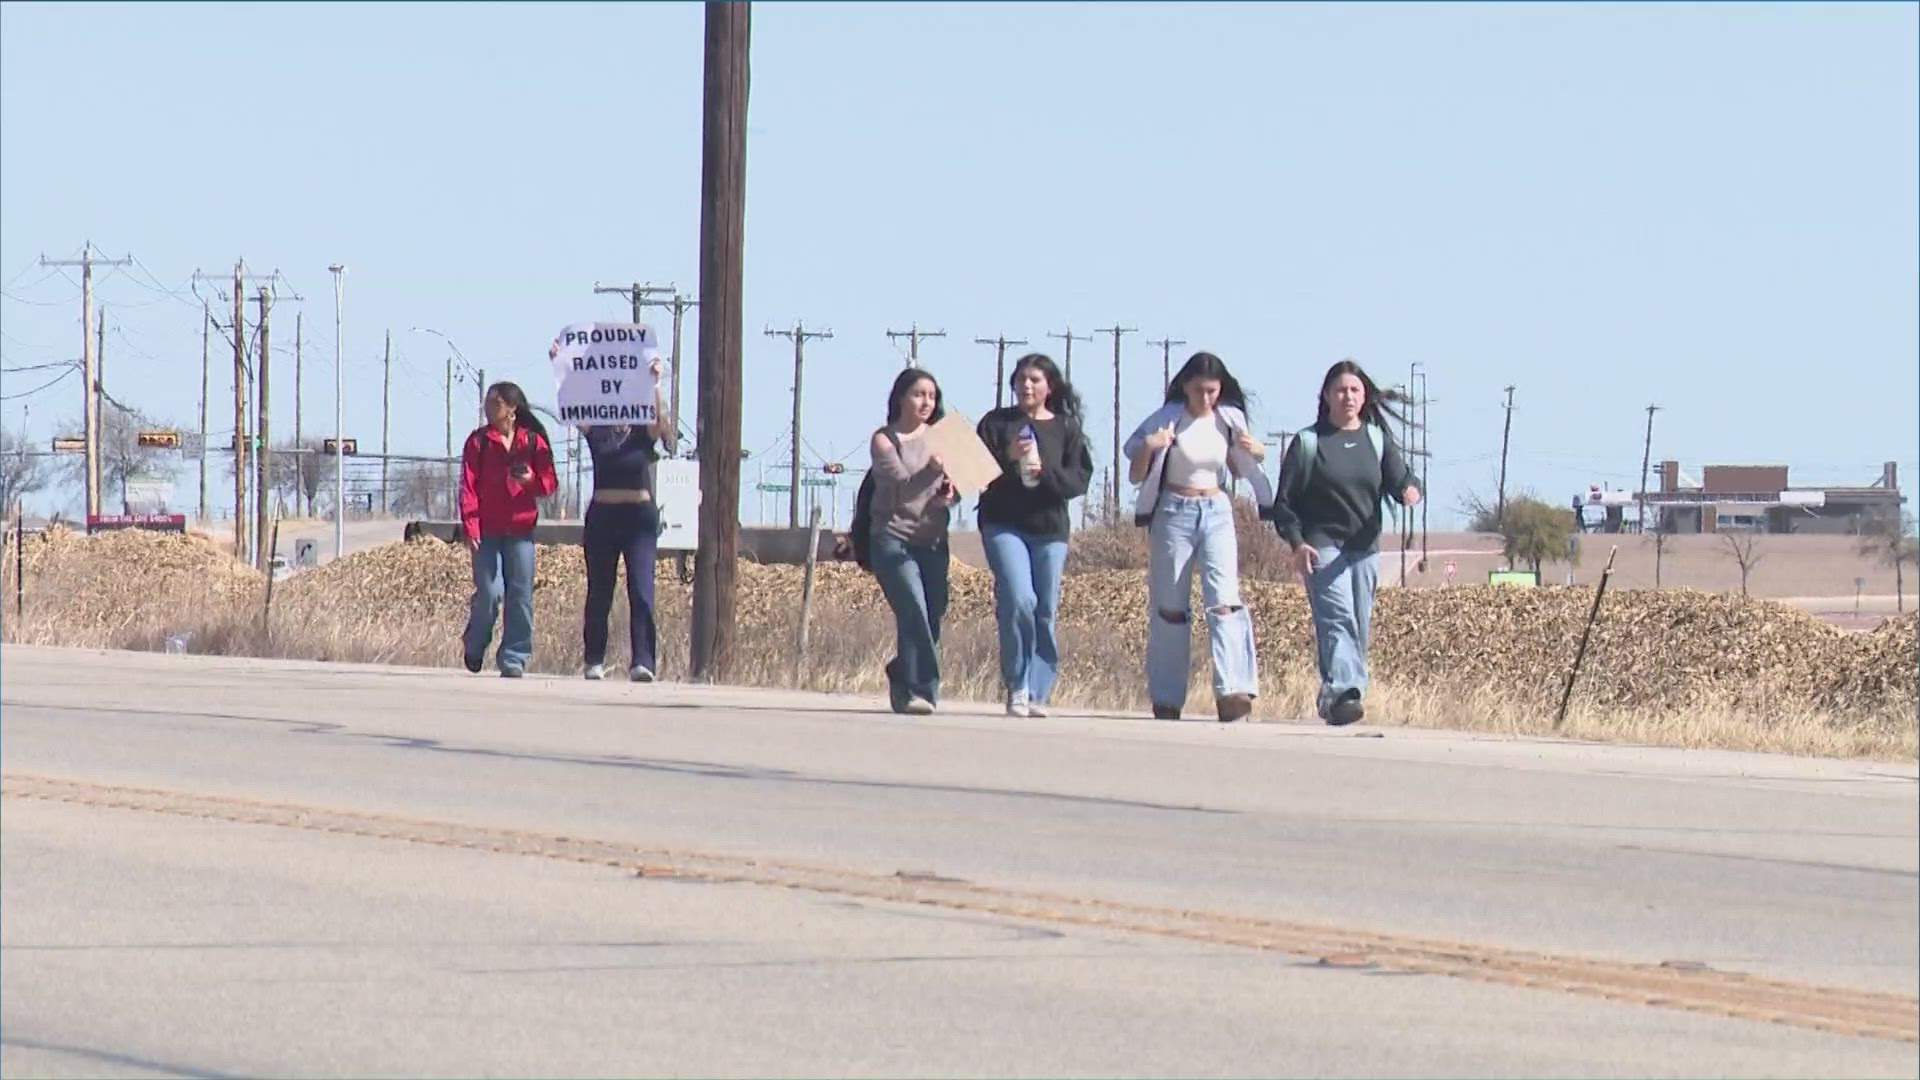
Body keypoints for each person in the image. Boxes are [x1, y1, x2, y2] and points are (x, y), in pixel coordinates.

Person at [1121, 351, 1272, 722]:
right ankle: (1168, 696)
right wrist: (1150, 446)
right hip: (1174, 512)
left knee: (1225, 601)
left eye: (1213, 390)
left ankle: (1233, 691)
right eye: (1200, 390)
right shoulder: (1167, 418)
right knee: (1171, 608)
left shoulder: (1228, 419)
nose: (1206, 398)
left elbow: (1239, 466)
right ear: (1185, 386)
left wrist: (1257, 452)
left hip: (1216, 510)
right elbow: (1136, 472)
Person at [1269, 359, 1421, 726]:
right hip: (1322, 544)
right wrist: (1297, 542)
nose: (1347, 396)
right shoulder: (1308, 443)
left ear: (1364, 394)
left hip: (1364, 547)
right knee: (1336, 620)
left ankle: (1334, 696)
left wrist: (1408, 490)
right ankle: (1344, 692)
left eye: (1354, 390)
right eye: (1340, 390)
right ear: (1326, 395)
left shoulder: (1375, 440)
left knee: (1358, 626)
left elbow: (1399, 478)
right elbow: (1284, 504)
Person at [975, 353, 1094, 717]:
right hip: (1003, 524)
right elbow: (977, 474)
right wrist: (1009, 458)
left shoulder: (1066, 428)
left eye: (1035, 380)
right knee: (1018, 599)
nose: (1027, 386)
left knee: (1044, 609)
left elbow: (1078, 480)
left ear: (1050, 387)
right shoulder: (996, 423)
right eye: (1022, 379)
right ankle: (1018, 685)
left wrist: (1046, 473)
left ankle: (1039, 689)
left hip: (1049, 530)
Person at [554, 338, 675, 682]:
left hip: (639, 517)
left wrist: (655, 382)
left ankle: (643, 661)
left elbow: (660, 422)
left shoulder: (643, 428)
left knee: (641, 590)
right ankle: (593, 659)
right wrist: (561, 363)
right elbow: (571, 405)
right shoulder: (598, 427)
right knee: (599, 591)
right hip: (602, 517)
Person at [868, 367, 958, 715]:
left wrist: (948, 495)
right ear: (902, 397)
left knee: (933, 612)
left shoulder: (942, 437)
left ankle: (902, 674)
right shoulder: (885, 440)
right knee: (914, 609)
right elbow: (904, 491)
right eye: (919, 394)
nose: (926, 401)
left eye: (932, 396)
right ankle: (923, 691)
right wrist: (933, 471)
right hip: (893, 538)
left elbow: (953, 487)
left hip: (933, 539)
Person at [459, 381, 558, 678]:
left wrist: (529, 480)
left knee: (520, 594)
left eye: (495, 404)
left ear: (512, 410)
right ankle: (475, 642)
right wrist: (470, 525)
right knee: (490, 592)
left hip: (520, 530)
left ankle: (514, 655)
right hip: (487, 531)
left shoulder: (532, 442)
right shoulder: (478, 442)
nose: (489, 409)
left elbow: (548, 484)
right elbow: (468, 486)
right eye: (487, 404)